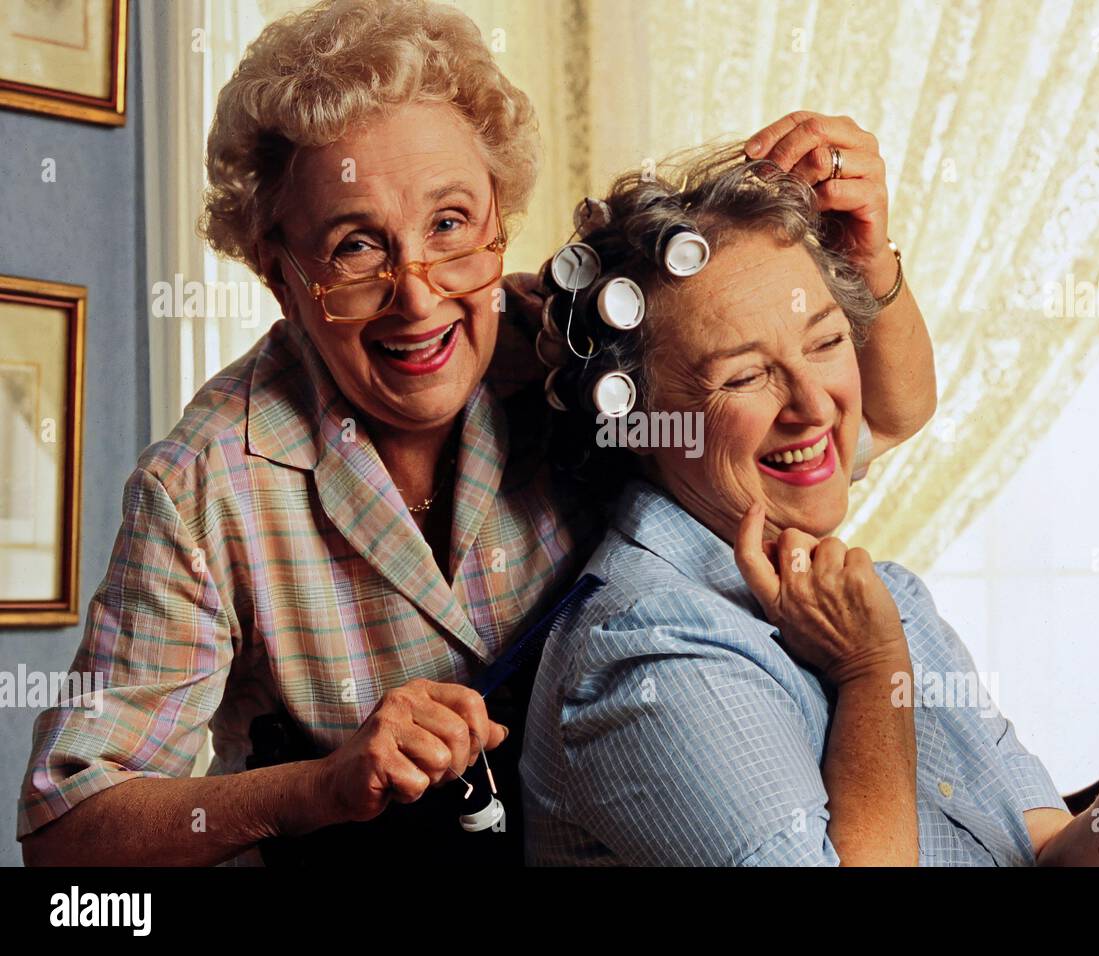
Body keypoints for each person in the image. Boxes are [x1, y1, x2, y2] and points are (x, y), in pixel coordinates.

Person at [18, 0, 936, 865]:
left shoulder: (570, 351)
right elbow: (67, 825)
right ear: (279, 273)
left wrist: (870, 253)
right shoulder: (203, 485)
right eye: (355, 246)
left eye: (450, 224)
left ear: (503, 217)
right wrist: (319, 788)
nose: (419, 293)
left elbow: (875, 416)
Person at [520, 146, 1099, 866]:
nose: (813, 404)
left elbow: (1044, 854)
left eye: (827, 340)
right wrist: (871, 674)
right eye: (744, 377)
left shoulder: (884, 601)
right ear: (639, 424)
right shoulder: (649, 648)